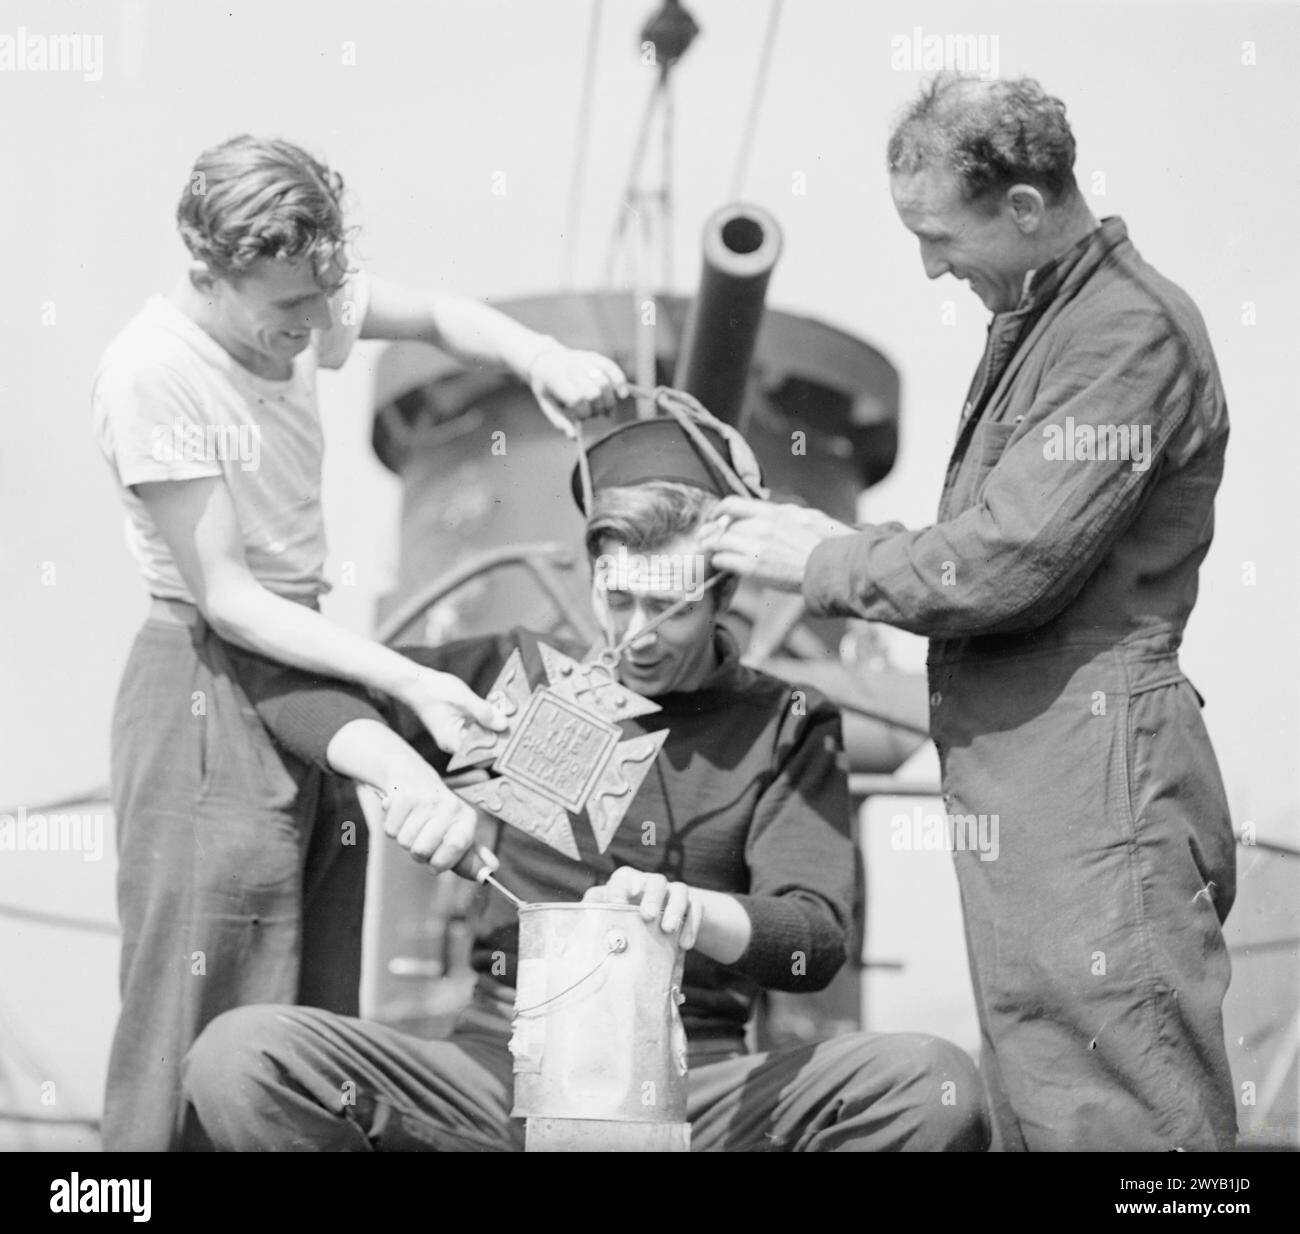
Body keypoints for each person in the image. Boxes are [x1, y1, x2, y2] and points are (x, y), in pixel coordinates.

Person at [179, 417, 991, 1152]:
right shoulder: (526, 682)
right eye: (618, 598)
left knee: (930, 1084)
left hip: (694, 1086)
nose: (636, 637)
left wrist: (694, 914)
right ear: (594, 575)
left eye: (668, 608)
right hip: (496, 1075)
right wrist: (396, 770)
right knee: (239, 1059)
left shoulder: (784, 721)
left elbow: (814, 943)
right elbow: (294, 680)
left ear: (724, 595)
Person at [700, 75, 1236, 1151]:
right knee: (1046, 1087)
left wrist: (829, 558)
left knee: (1120, 1104)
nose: (931, 265)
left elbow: (1009, 562)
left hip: (1091, 781)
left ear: (1027, 209)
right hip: (1041, 782)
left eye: (940, 236)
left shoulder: (1124, 335)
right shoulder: (1056, 322)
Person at [92, 134, 627, 1151]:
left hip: (310, 656)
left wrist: (537, 356)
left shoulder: (305, 294)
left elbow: (435, 317)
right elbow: (233, 601)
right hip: (206, 673)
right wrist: (409, 682)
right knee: (199, 993)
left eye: (319, 302)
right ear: (209, 270)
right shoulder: (153, 374)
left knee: (309, 997)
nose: (311, 330)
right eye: (287, 309)